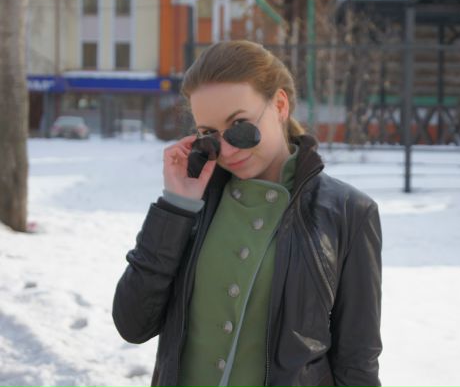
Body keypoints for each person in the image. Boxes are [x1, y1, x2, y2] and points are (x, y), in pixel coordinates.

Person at [112, 40, 382, 387]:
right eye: (209, 135)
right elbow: (133, 324)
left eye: (239, 125)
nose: (225, 150)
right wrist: (175, 208)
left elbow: (357, 362)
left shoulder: (349, 212)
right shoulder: (192, 205)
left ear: (279, 105)